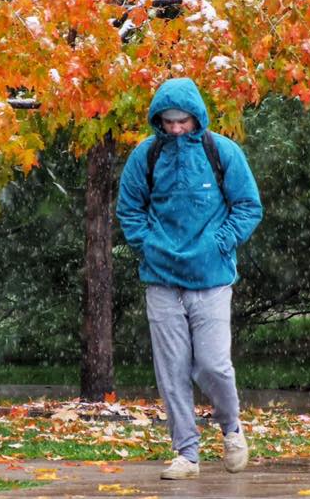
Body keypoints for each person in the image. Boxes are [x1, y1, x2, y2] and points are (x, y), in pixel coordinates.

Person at [116, 77, 263, 480]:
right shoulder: (144, 157)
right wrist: (148, 246)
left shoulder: (222, 152)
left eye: (182, 120)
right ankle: (187, 454)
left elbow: (248, 206)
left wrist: (221, 241)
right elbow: (128, 209)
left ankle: (231, 430)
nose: (175, 128)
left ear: (196, 117)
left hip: (212, 279)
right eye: (168, 121)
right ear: (158, 120)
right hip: (161, 280)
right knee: (172, 372)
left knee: (213, 365)